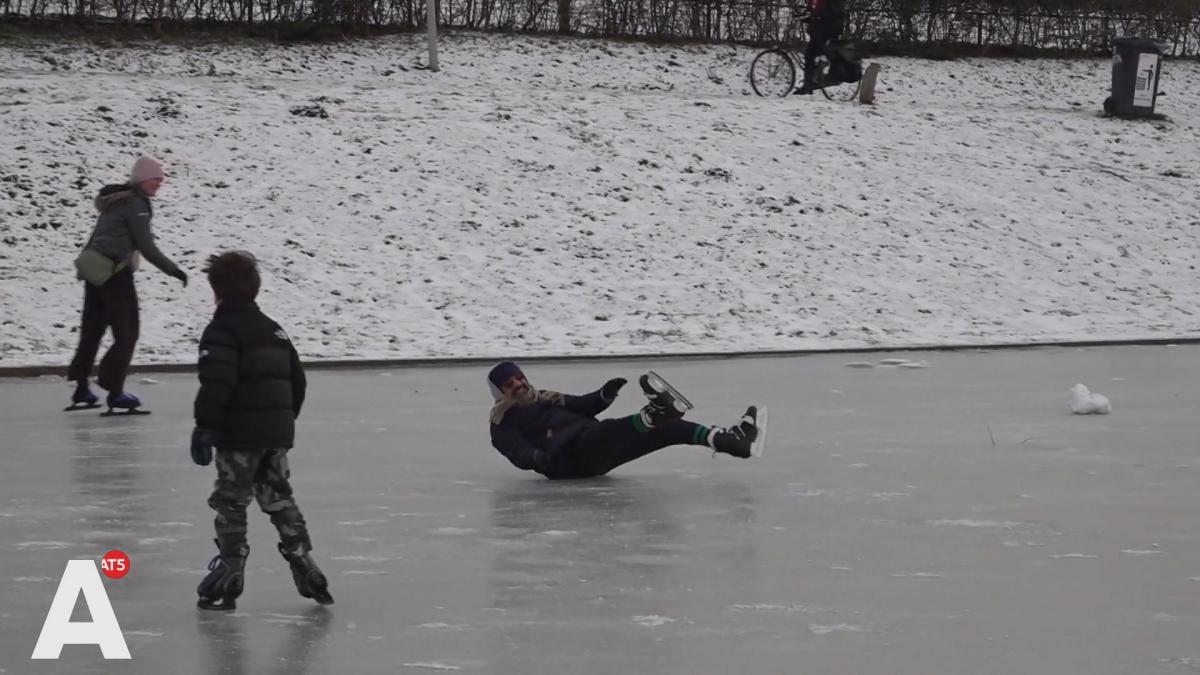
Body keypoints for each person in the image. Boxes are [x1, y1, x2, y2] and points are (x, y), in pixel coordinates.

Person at [190, 250, 332, 610]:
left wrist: (205, 427)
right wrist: (281, 424)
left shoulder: (220, 330)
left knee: (230, 501)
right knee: (279, 498)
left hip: (238, 437)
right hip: (274, 436)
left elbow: (216, 384)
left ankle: (231, 568)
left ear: (215, 290)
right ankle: (303, 559)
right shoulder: (274, 329)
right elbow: (296, 381)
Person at [487, 361, 760, 480]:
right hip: (566, 460)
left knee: (668, 429)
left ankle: (731, 442)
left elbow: (583, 405)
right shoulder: (501, 422)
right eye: (510, 384)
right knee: (602, 433)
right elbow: (516, 451)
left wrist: (605, 395)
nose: (519, 384)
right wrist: (538, 457)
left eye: (519, 377)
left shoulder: (546, 396)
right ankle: (651, 415)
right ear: (501, 392)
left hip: (595, 450)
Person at [66, 154, 188, 411]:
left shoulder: (117, 202)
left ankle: (81, 388)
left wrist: (85, 271)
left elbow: (96, 236)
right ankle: (114, 389)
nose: (159, 184)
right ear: (142, 180)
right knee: (127, 332)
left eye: (161, 180)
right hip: (115, 274)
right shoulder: (136, 205)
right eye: (155, 180)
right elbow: (146, 245)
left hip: (95, 272)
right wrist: (173, 270)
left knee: (92, 330)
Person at [797, 0, 846, 95]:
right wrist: (801, 17)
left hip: (831, 28)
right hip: (819, 29)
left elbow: (836, 12)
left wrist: (819, 14)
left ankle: (821, 74)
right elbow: (810, 12)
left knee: (813, 53)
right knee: (810, 55)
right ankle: (808, 84)